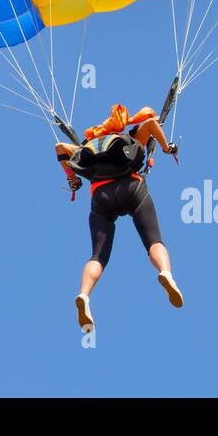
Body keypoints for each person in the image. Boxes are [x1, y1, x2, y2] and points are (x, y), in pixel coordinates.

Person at [56, 104, 183, 331]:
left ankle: (84, 295)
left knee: (98, 256)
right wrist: (167, 148)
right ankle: (166, 274)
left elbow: (59, 148)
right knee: (154, 240)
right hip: (131, 187)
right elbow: (153, 124)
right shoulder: (128, 136)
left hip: (101, 197)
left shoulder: (88, 146)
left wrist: (72, 179)